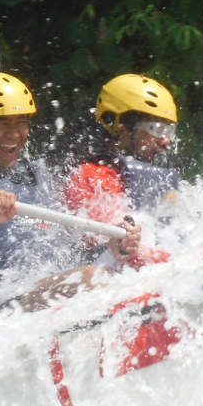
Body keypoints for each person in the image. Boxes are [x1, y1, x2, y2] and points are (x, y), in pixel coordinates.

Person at [0, 71, 141, 312]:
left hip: (40, 301)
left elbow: (68, 257)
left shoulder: (39, 178)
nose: (14, 134)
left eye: (21, 122)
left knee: (132, 271)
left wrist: (112, 249)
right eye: (1, 123)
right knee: (91, 279)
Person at [65, 73, 182, 266]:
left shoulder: (160, 180)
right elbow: (105, 241)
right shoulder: (91, 176)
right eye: (157, 129)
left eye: (169, 131)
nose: (166, 140)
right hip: (101, 276)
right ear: (123, 129)